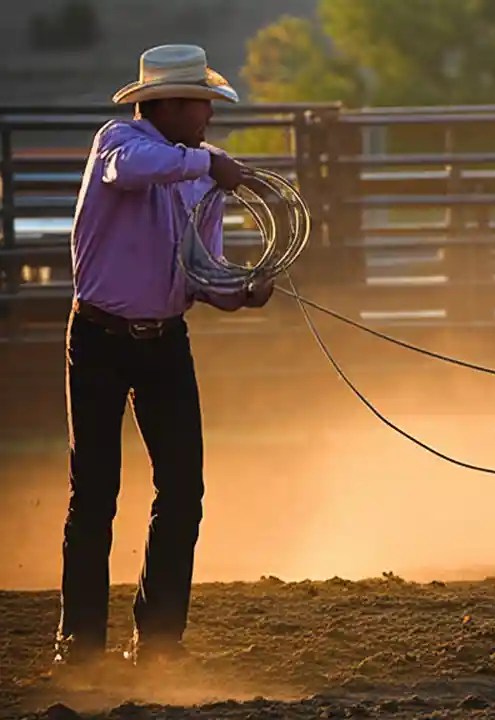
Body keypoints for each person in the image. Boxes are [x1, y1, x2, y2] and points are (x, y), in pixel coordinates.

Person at [54, 44, 272, 671]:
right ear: (170, 106)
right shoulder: (119, 142)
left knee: (181, 488)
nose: (209, 116)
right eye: (202, 105)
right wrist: (206, 161)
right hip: (99, 337)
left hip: (163, 339)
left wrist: (241, 292)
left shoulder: (201, 177)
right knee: (94, 492)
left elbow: (203, 271)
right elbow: (133, 170)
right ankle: (82, 644)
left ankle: (158, 641)